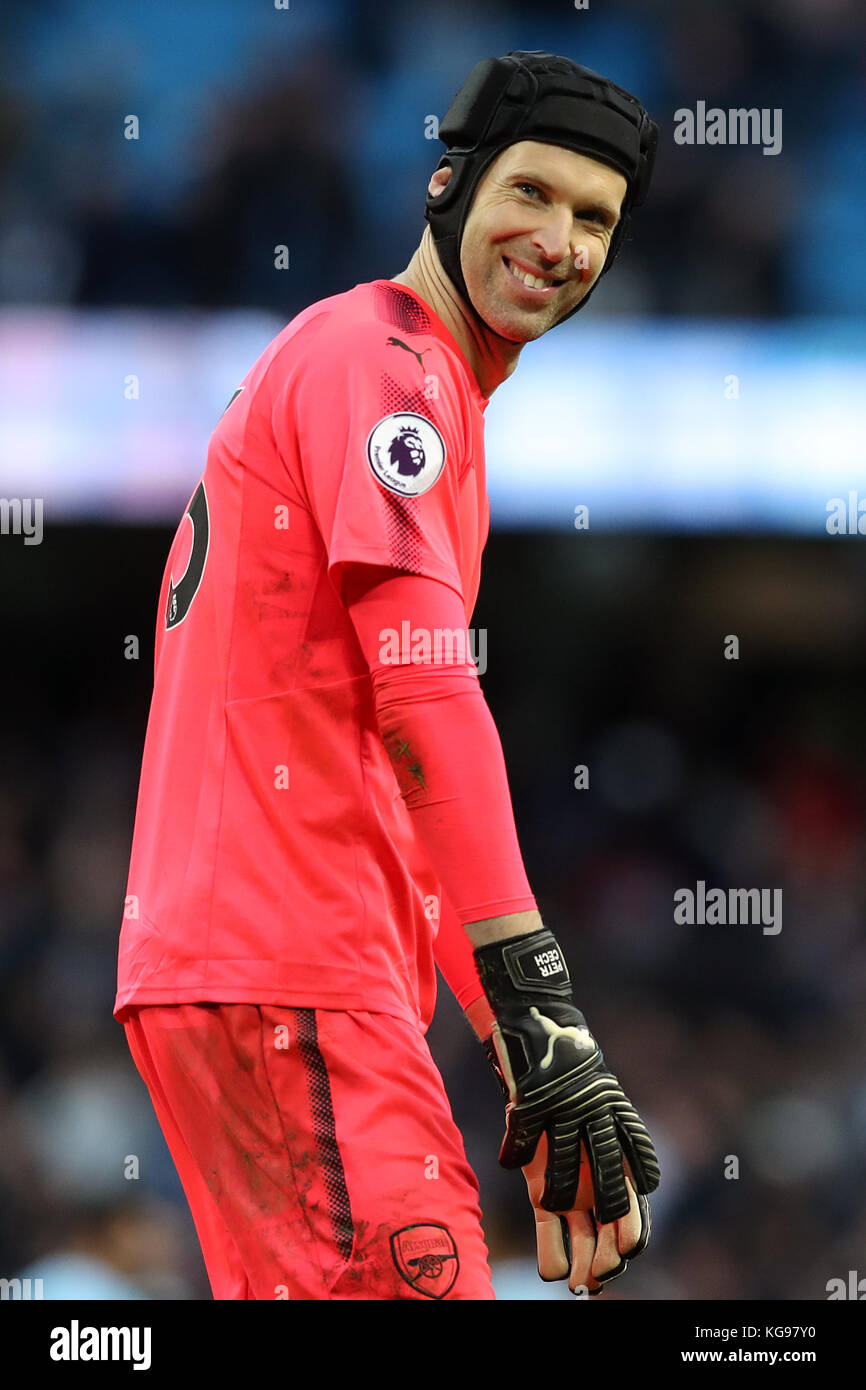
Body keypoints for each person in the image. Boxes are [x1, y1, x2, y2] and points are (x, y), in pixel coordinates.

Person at [114, 50, 661, 1301]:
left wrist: (525, 1050)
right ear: (445, 187)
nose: (558, 241)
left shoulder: (399, 377)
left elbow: (394, 764)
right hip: (292, 973)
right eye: (530, 193)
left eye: (594, 220)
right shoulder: (387, 367)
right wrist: (541, 1000)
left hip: (276, 975)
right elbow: (426, 698)